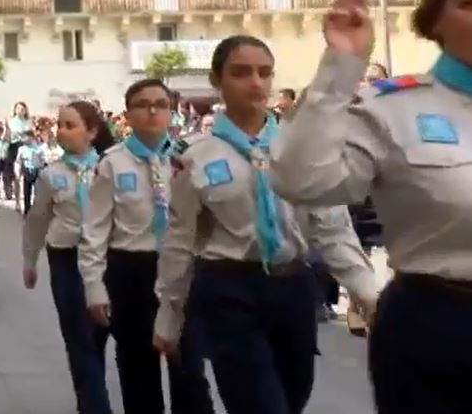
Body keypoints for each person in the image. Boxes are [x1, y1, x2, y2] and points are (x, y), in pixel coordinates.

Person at [269, 0, 472, 414]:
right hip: (439, 324)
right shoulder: (393, 108)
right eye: (469, 3)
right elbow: (301, 180)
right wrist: (341, 68)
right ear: (435, 21)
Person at [154, 35, 377, 414]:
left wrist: (366, 291)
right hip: (229, 291)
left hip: (292, 289)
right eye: (241, 73)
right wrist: (169, 314)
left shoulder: (300, 150)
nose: (255, 83)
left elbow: (332, 226)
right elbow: (180, 239)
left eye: (264, 73)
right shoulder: (195, 158)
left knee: (291, 400)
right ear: (217, 80)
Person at [79, 79, 213, 414]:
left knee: (189, 368)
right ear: (127, 115)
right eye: (142, 104)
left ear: (171, 111)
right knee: (138, 367)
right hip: (132, 271)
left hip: (182, 268)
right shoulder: (112, 163)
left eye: (161, 104)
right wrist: (94, 287)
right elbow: (94, 230)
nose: (152, 111)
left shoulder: (190, 159)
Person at [22, 101, 115, 414]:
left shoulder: (110, 167)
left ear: (92, 131)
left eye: (70, 125)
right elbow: (37, 218)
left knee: (98, 336)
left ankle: (89, 396)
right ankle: (94, 405)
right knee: (79, 340)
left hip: (106, 259)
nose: (61, 131)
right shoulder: (51, 175)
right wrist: (29, 260)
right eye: (59, 124)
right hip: (66, 259)